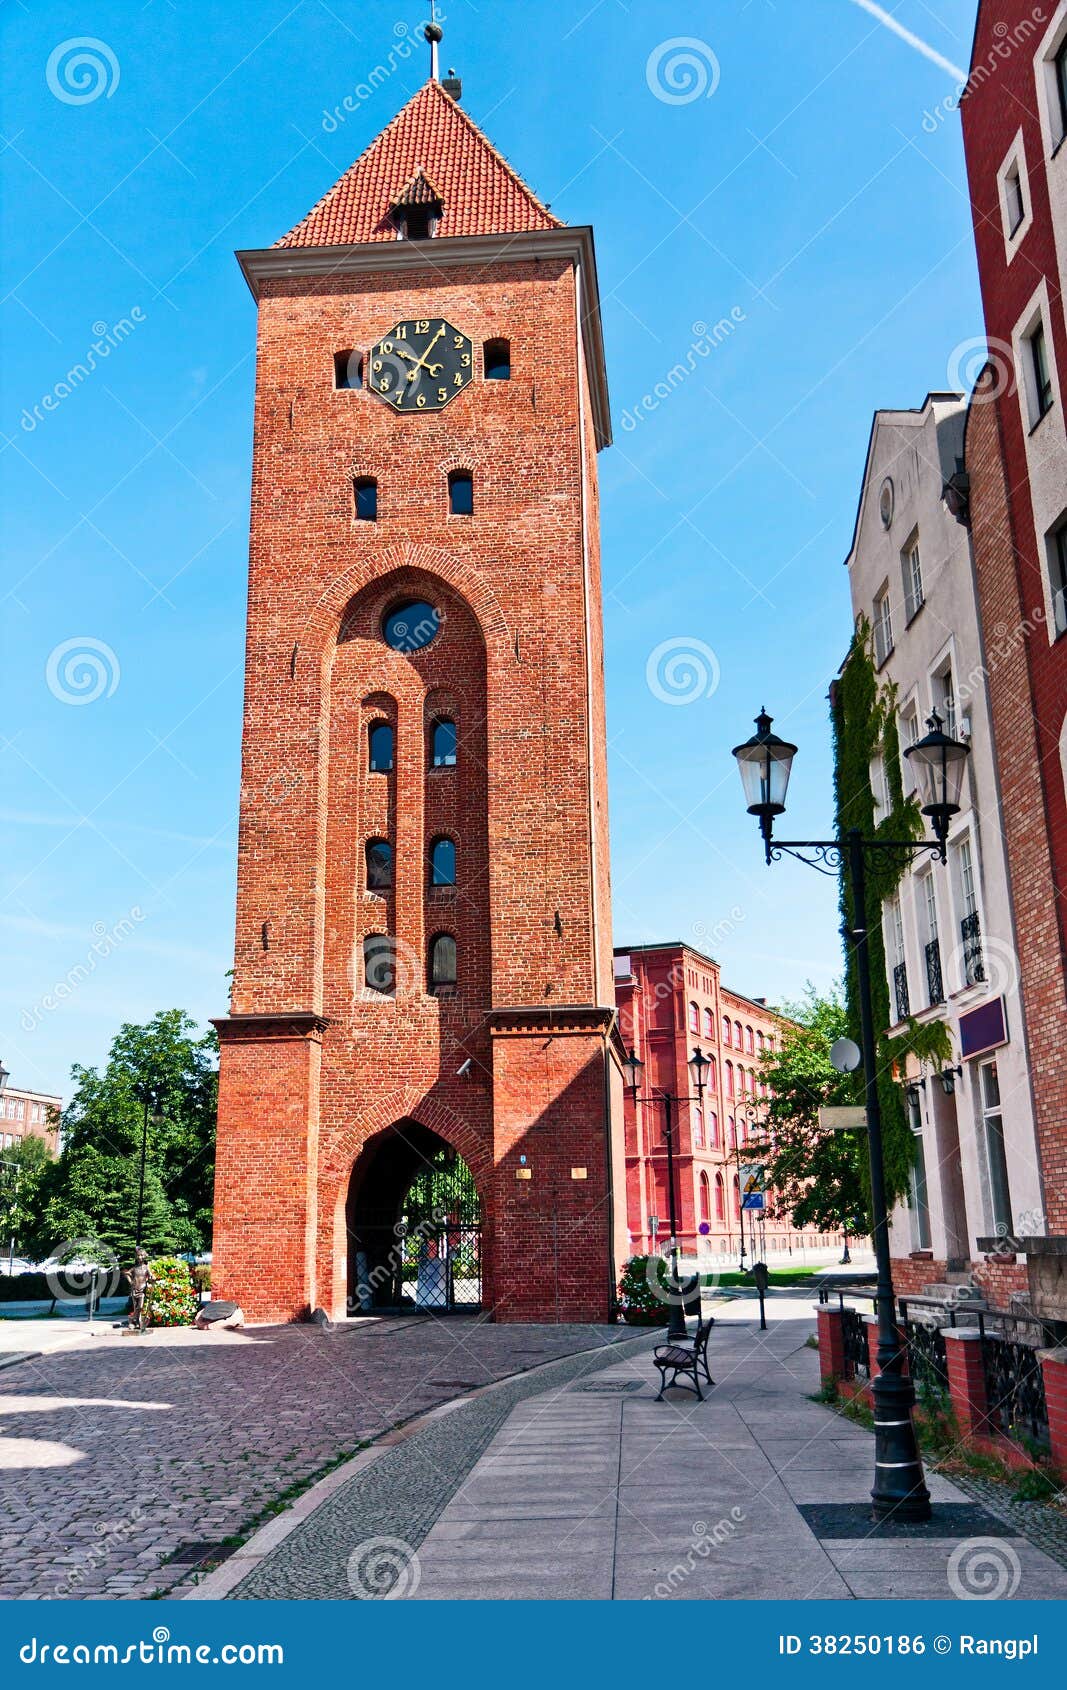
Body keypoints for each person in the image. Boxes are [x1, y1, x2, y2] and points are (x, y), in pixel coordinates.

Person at [128, 1247, 152, 1331]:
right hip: (135, 1289)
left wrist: (152, 1278)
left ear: (144, 1256)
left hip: (142, 1289)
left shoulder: (146, 1267)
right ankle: (137, 1322)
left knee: (140, 1306)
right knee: (136, 1307)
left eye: (141, 1255)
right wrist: (131, 1282)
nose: (140, 1257)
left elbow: (150, 1276)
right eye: (138, 1255)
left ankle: (132, 1319)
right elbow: (127, 1274)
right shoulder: (135, 1268)